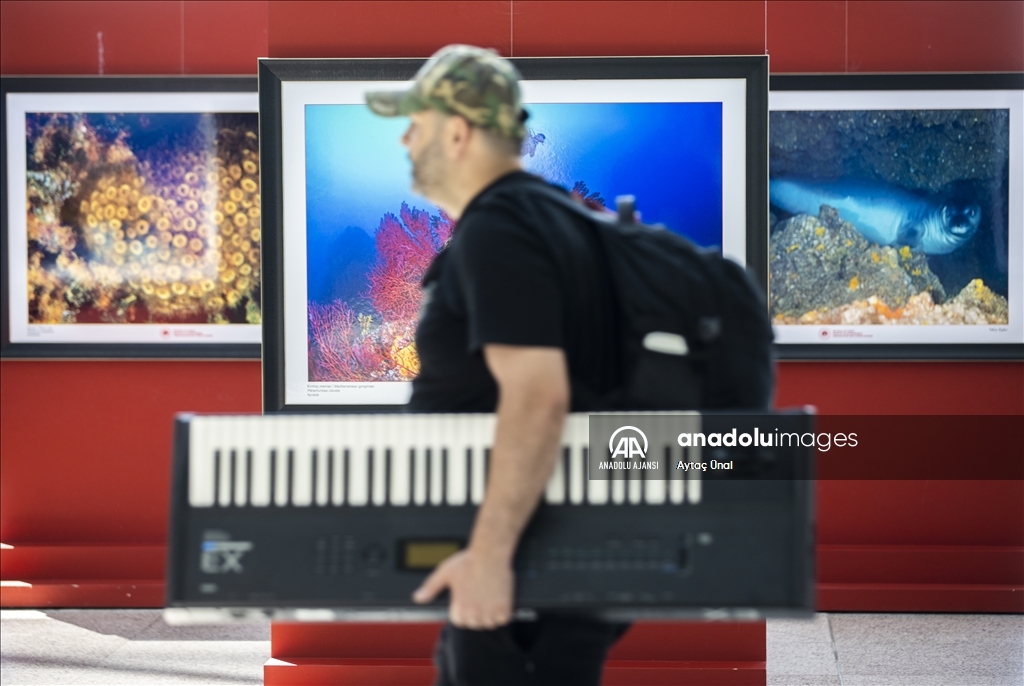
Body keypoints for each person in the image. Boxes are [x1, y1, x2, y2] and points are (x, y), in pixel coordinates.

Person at [366, 44, 626, 685]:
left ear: (457, 131)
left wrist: (490, 554)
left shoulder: (499, 232)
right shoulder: (554, 220)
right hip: (561, 550)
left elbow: (538, 396)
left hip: (521, 563)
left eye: (415, 123)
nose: (405, 139)